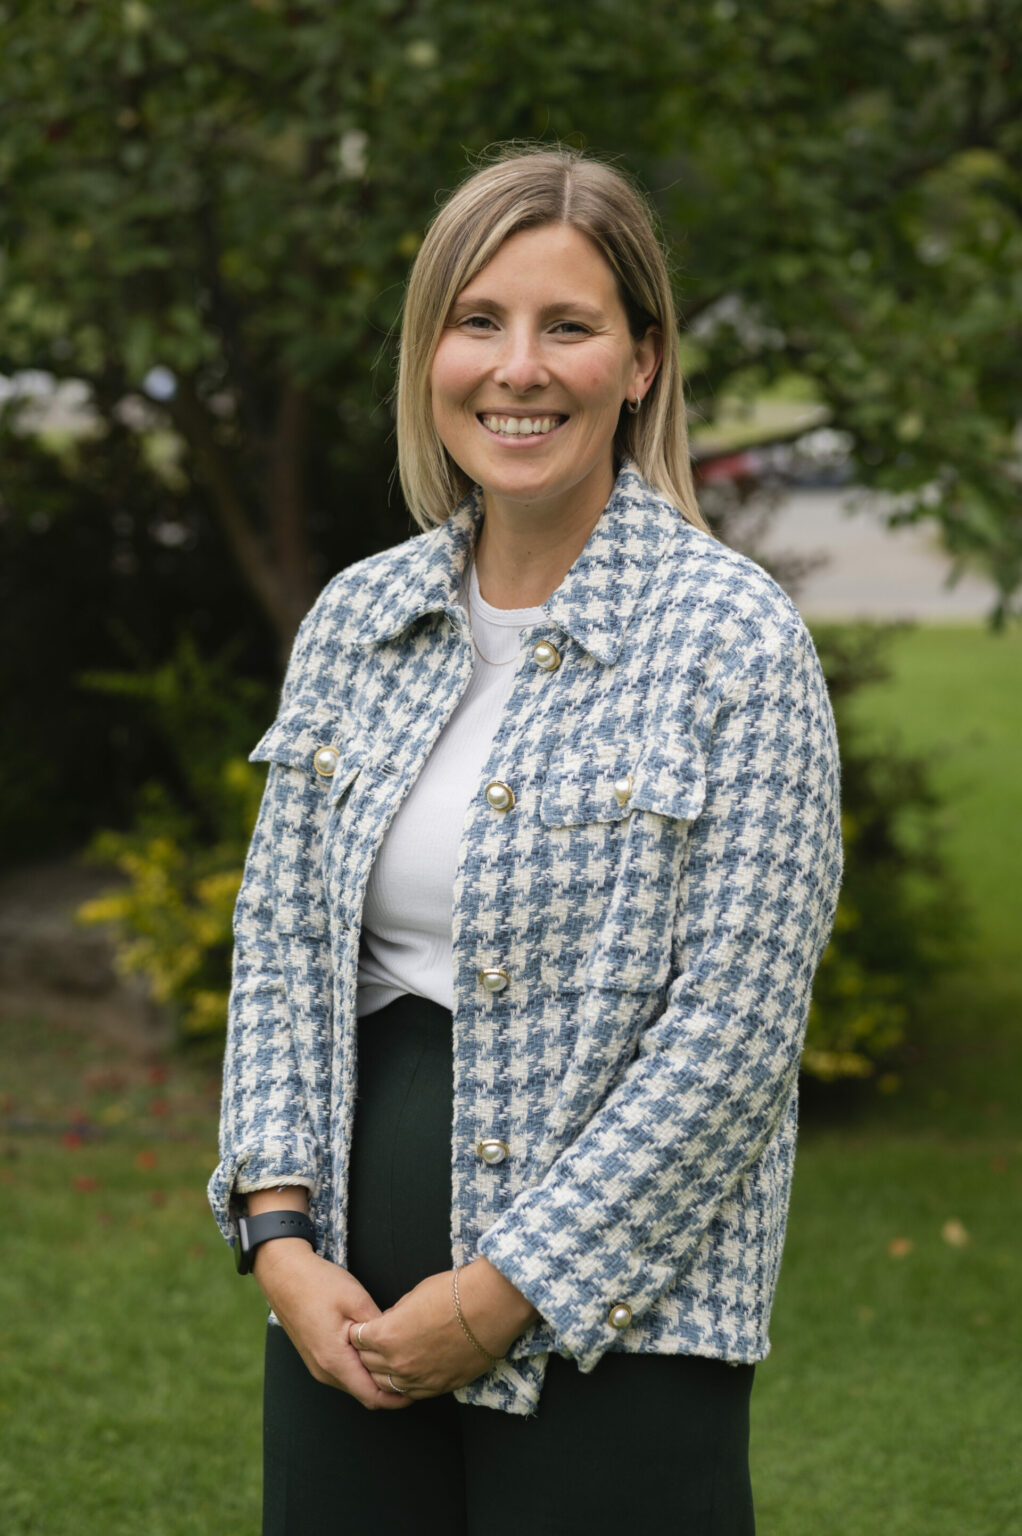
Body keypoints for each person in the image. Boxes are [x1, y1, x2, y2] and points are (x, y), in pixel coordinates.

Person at [208, 144, 843, 1535]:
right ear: (429, 352)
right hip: (345, 1309)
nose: (517, 368)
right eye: (477, 321)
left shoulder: (735, 644)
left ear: (639, 363)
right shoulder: (356, 621)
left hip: (622, 1314)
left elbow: (732, 1037)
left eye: (567, 327)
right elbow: (279, 952)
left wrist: (505, 1296)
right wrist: (278, 1238)